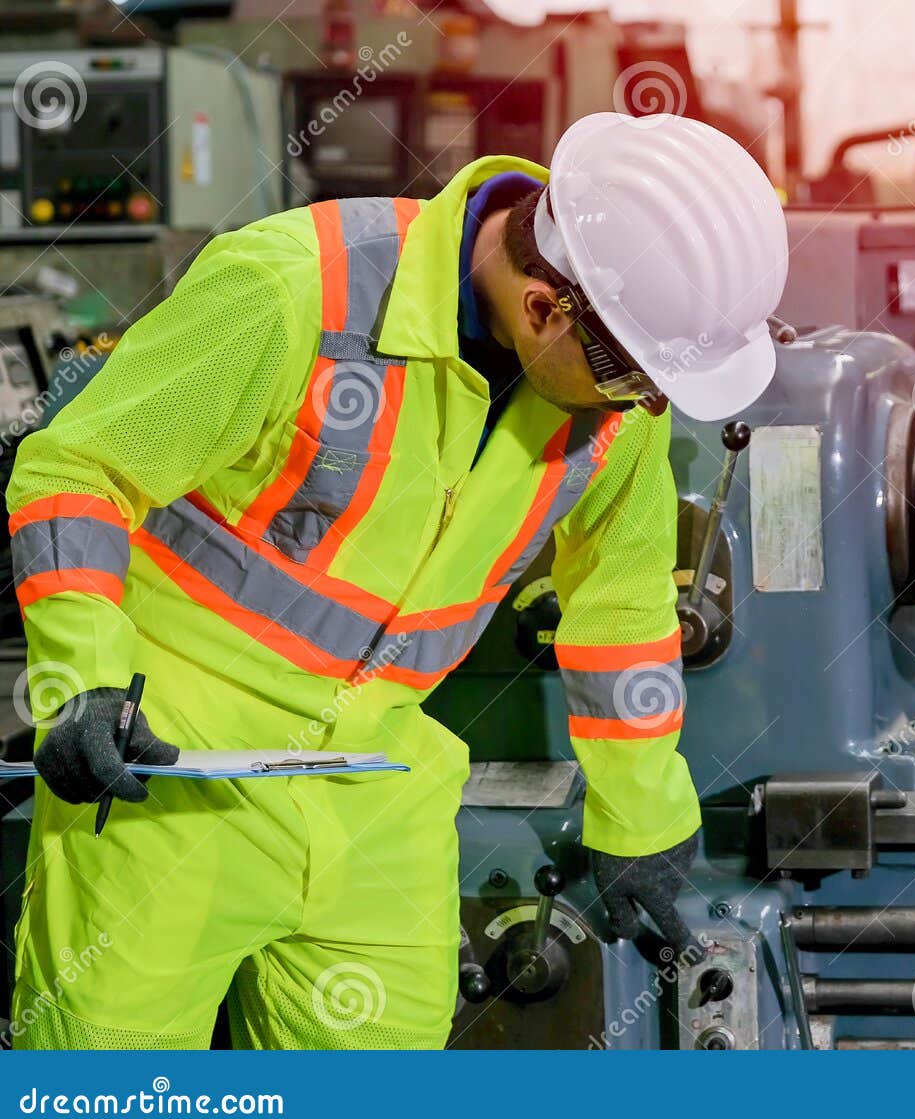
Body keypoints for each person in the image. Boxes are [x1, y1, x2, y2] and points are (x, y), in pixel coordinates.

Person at [6, 111, 787, 1048]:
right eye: (636, 374)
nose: (650, 403)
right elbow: (78, 472)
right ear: (547, 308)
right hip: (166, 775)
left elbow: (618, 612)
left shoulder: (614, 401)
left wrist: (642, 814)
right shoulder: (294, 289)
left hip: (375, 784)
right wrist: (81, 677)